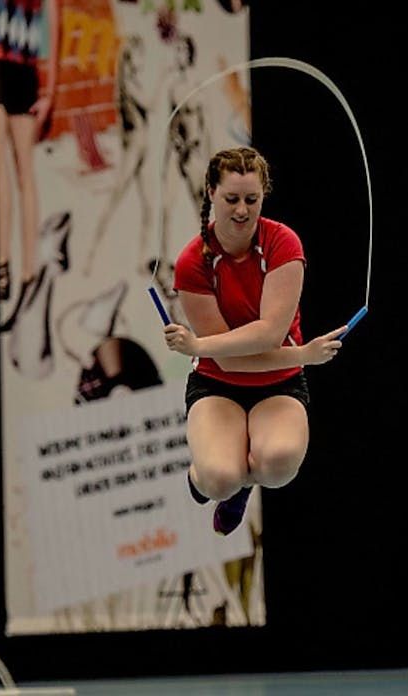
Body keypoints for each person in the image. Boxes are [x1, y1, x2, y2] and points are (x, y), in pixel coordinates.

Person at [162, 147, 345, 535]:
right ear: (211, 192)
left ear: (264, 194)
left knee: (277, 466)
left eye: (252, 199)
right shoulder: (192, 262)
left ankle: (243, 487)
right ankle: (207, 482)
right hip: (218, 383)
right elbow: (229, 360)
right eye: (231, 199)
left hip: (280, 381)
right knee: (221, 478)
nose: (242, 210)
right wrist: (303, 354)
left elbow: (268, 333)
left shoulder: (283, 243)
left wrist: (198, 346)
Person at [0, 0, 60, 306]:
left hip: (20, 62)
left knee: (21, 170)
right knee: (5, 166)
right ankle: (5, 262)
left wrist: (50, 92)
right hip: (3, 61)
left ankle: (26, 270)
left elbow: (54, 21)